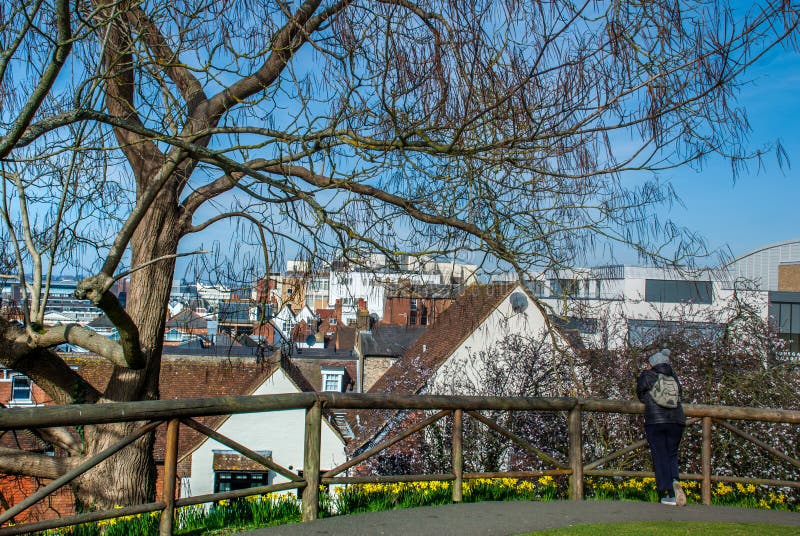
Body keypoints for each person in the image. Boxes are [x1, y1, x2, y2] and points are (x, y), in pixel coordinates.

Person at [637, 348, 687, 506]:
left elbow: (640, 393)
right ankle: (674, 483)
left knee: (660, 456)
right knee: (672, 454)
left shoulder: (647, 375)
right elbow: (680, 394)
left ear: (652, 364)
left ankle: (667, 493)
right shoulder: (674, 376)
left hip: (656, 421)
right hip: (677, 420)